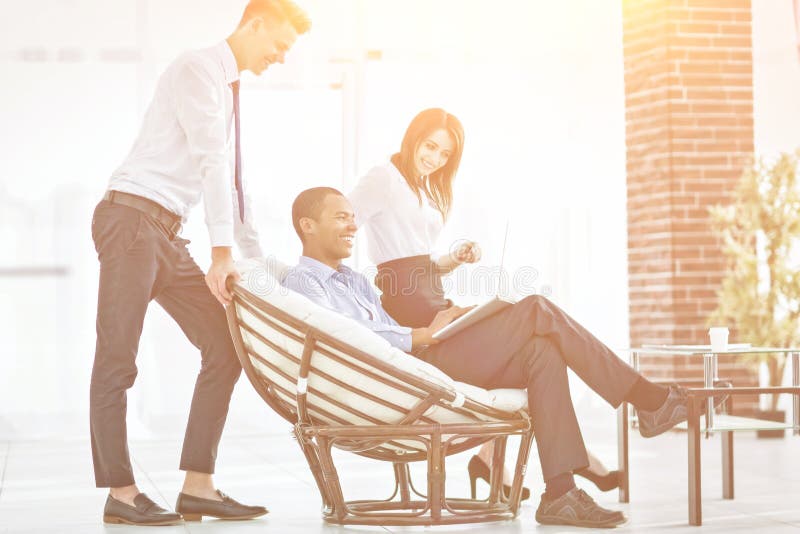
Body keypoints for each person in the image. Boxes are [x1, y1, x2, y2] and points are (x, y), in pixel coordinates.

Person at [282, 187, 713, 529]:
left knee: (541, 350)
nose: (352, 225)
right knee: (535, 310)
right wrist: (421, 334)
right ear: (307, 224)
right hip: (409, 378)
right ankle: (650, 400)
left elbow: (383, 327)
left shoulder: (352, 280)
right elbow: (349, 338)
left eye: (352, 217)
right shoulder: (305, 281)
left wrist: (449, 321)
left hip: (420, 358)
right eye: (341, 217)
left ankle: (559, 492)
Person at [89, 0, 310, 526]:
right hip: (131, 219)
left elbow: (233, 184)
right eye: (278, 45)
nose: (280, 58)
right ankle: (121, 494)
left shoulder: (227, 87)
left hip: (166, 232)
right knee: (117, 360)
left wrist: (254, 264)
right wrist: (220, 255)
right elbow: (212, 161)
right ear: (254, 24)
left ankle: (198, 486)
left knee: (225, 345)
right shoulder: (197, 68)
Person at [347, 108, 620, 497]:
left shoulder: (421, 187)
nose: (435, 159)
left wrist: (453, 257)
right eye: (430, 147)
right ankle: (580, 449)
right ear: (412, 137)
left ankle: (510, 465)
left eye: (445, 155)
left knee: (540, 348)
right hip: (418, 320)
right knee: (533, 314)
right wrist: (343, 282)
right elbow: (338, 219)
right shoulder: (383, 178)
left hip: (437, 306)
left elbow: (418, 258)